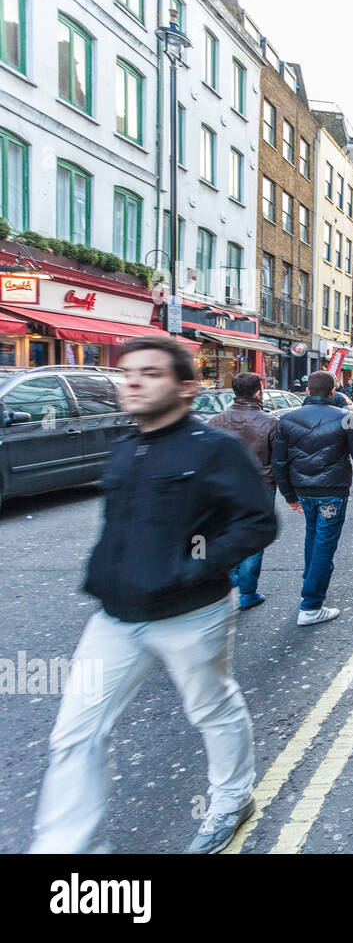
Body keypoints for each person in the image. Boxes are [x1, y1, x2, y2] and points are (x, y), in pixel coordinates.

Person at [30, 337, 276, 854]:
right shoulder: (125, 445)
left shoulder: (215, 449)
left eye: (150, 373)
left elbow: (256, 522)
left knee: (211, 708)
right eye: (128, 373)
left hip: (191, 613)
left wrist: (193, 565)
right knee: (75, 734)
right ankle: (63, 850)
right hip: (115, 616)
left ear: (186, 388)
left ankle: (231, 800)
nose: (133, 382)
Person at [272, 370, 353, 626]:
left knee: (312, 534)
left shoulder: (286, 420)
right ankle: (311, 605)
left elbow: (279, 462)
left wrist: (288, 495)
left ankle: (310, 580)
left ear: (307, 391)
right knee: (324, 543)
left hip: (304, 490)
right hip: (332, 491)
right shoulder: (347, 418)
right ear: (333, 392)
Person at [210, 372, 279, 609]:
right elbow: (278, 460)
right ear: (258, 392)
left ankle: (229, 579)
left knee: (227, 532)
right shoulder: (270, 422)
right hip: (260, 487)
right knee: (254, 538)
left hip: (225, 486)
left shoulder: (216, 421)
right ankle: (247, 592)